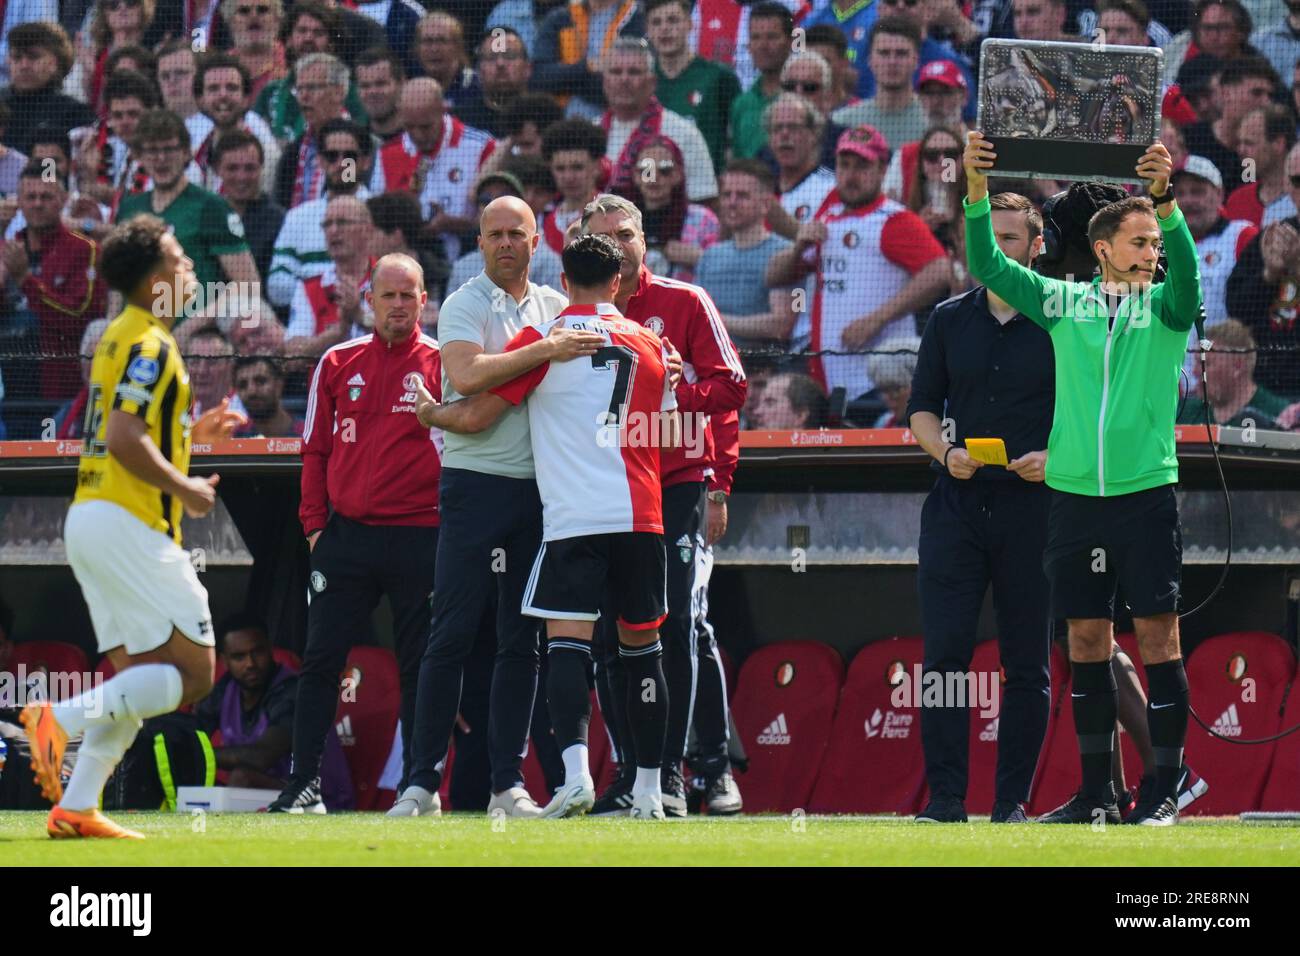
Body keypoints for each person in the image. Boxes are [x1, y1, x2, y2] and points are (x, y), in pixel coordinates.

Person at [963, 129, 1203, 825]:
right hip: (1073, 501)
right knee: (1088, 643)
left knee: (1159, 642)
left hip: (1144, 496)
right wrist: (977, 191)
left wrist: (1166, 206)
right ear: (1101, 251)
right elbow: (990, 266)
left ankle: (1163, 791)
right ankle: (1099, 793)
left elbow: (1187, 276)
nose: (1151, 254)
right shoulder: (1065, 305)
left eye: (1154, 245)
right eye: (1139, 244)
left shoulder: (1165, 310)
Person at [411, 233, 680, 820]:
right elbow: (666, 427)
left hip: (572, 520)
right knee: (644, 653)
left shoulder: (543, 341)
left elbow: (480, 414)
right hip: (641, 516)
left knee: (565, 649)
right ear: (618, 284)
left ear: (564, 282)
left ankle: (577, 776)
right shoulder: (652, 344)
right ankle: (652, 791)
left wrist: (432, 412)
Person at [19, 213, 245, 839]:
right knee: (195, 675)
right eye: (178, 259)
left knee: (141, 678)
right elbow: (123, 437)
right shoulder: (151, 344)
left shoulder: (119, 334)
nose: (190, 268)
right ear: (153, 282)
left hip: (93, 518)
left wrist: (187, 440)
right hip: (130, 523)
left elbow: (130, 430)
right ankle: (56, 718)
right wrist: (188, 488)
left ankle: (79, 804)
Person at [387, 196, 604, 819]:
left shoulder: (558, 307)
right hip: (474, 485)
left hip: (540, 491)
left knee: (520, 641)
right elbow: (470, 372)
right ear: (479, 243)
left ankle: (506, 785)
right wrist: (542, 351)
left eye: (517, 233)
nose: (505, 243)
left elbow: (544, 390)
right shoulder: (464, 303)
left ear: (538, 242)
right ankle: (420, 783)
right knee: (449, 634)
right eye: (494, 234)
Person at [578, 193, 746, 817]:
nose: (616, 245)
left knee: (678, 620)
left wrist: (718, 476)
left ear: (644, 240)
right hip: (600, 486)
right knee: (609, 632)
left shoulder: (684, 301)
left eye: (625, 234)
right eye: (602, 237)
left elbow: (732, 387)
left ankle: (685, 769)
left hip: (673, 479)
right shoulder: (571, 318)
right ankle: (633, 770)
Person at [269, 252, 444, 813]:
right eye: (387, 295)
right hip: (346, 540)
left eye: (408, 294)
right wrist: (316, 529)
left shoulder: (446, 364)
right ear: (368, 300)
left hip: (421, 537)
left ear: (424, 300)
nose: (397, 305)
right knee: (319, 660)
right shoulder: (337, 361)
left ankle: (420, 787)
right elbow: (314, 449)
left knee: (422, 664)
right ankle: (305, 785)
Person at [906, 192, 1054, 824]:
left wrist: (1056, 455)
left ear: (1037, 246)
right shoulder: (945, 319)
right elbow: (920, 408)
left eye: (1011, 239)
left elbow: (1088, 410)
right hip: (957, 506)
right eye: (986, 239)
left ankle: (1012, 803)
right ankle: (944, 801)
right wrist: (944, 453)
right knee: (943, 657)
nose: (994, 251)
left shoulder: (1063, 319)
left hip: (1036, 509)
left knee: (1027, 662)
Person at [766, 125, 951, 401]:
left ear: (881, 169)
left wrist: (877, 320)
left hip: (878, 383)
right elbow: (773, 276)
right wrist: (798, 247)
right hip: (828, 378)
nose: (851, 175)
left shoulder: (893, 220)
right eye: (844, 164)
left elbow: (940, 271)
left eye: (862, 166)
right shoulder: (829, 216)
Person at [115, 109, 260, 323]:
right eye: (153, 151)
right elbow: (118, 284)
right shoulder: (129, 208)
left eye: (169, 149)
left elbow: (248, 284)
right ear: (140, 157)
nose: (161, 159)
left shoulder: (211, 207)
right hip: (137, 334)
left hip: (192, 339)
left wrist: (194, 325)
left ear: (186, 153)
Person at [193, 614, 351, 807]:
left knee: (242, 778)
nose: (250, 664)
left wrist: (194, 754)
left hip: (321, 800)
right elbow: (192, 732)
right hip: (271, 796)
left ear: (270, 649)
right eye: (239, 657)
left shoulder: (293, 692)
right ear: (224, 661)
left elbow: (260, 757)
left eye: (257, 652)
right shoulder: (225, 689)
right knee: (194, 782)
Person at [0, 164, 107, 404]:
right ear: (19, 202)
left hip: (60, 393)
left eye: (46, 197)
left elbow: (81, 318)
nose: (37, 204)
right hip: (8, 393)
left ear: (63, 200)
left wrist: (25, 280)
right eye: (30, 197)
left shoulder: (85, 251)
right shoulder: (8, 248)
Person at [371, 78, 496, 264]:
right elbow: (377, 223)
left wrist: (455, 225)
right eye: (409, 126)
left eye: (425, 126)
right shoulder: (387, 154)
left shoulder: (480, 147)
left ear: (443, 110)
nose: (417, 135)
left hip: (472, 262)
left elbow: (497, 219)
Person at [267, 118, 373, 308]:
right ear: (321, 161)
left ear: (365, 162)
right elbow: (277, 285)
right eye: (332, 156)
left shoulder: (381, 214)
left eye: (349, 156)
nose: (341, 164)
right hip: (309, 325)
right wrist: (327, 294)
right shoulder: (298, 217)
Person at [600, 38, 718, 205]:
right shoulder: (591, 132)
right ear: (604, 82)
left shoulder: (682, 132)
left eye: (634, 72)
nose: (624, 79)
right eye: (616, 72)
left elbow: (705, 202)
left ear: (652, 82)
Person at [695, 159, 797, 352]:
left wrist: (716, 321)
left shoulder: (785, 254)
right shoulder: (709, 257)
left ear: (766, 204)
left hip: (764, 368)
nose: (732, 203)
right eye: (726, 195)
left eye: (742, 196)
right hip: (714, 367)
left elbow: (782, 325)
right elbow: (695, 317)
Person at [647, 0, 741, 173]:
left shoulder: (719, 76)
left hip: (705, 187)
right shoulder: (642, 80)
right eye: (656, 22)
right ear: (648, 30)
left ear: (690, 24)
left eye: (673, 20)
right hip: (653, 185)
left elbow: (737, 138)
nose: (664, 28)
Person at [1171, 155, 1258, 328]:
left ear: (1219, 193)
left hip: (1225, 352)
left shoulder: (1241, 235)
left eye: (1197, 191)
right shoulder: (1161, 243)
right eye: (1179, 193)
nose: (1187, 201)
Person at [286, 194, 375, 360]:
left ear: (367, 230)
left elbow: (405, 339)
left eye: (342, 222)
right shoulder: (309, 288)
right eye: (327, 224)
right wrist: (339, 330)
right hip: (329, 384)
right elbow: (291, 357)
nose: (333, 230)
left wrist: (360, 316)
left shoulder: (392, 279)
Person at [189, 53, 283, 198]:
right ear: (200, 100)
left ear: (246, 98)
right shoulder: (197, 151)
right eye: (213, 89)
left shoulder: (266, 153)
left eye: (231, 88)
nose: (223, 95)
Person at [533, 0, 645, 120]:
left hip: (617, 121)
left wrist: (568, 81)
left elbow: (629, 85)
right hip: (560, 123)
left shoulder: (635, 18)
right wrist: (587, 67)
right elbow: (539, 77)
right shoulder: (560, 18)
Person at [633, 136, 719, 283]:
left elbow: (722, 269)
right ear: (635, 175)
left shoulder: (703, 219)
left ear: (678, 174)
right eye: (646, 170)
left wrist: (699, 257)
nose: (654, 178)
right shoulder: (622, 221)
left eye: (664, 170)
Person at [1177, 319, 1294, 427]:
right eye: (1196, 363)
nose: (1195, 371)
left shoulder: (1279, 416)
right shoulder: (1183, 414)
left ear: (1237, 366)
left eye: (1205, 364)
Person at [832, 18, 927, 150]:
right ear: (870, 60)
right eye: (884, 53)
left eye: (901, 53)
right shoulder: (843, 122)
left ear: (916, 60)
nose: (892, 62)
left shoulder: (931, 122)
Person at [1, 24, 95, 157]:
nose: (24, 65)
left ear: (54, 62)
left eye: (33, 57)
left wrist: (45, 177)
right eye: (17, 57)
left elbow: (57, 168)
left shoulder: (73, 112)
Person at [210, 130, 285, 284]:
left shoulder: (279, 221)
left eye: (250, 168)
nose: (241, 177)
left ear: (261, 168)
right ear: (217, 170)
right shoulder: (207, 216)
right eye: (232, 168)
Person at [728, 2, 794, 160]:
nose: (763, 46)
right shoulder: (742, 104)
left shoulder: (804, 95)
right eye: (755, 37)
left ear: (790, 42)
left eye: (772, 37)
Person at [539, 120, 606, 258]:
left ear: (597, 167)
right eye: (560, 169)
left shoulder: (614, 212)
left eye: (577, 167)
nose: (568, 177)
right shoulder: (546, 223)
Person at [1224, 104, 1298, 227]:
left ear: (1278, 143)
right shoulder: (1238, 201)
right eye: (1239, 143)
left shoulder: (1296, 197)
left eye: (1249, 143)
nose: (1241, 150)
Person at [454, 28, 532, 139]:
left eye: (509, 56)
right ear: (479, 70)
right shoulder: (460, 122)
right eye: (491, 58)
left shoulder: (544, 115)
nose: (500, 64)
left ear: (527, 68)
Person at [232, 356, 303, 436]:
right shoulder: (235, 437)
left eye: (260, 381)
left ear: (278, 385)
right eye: (243, 385)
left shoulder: (307, 434)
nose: (251, 392)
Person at [354, 47, 405, 144]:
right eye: (365, 86)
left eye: (381, 84)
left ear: (401, 84)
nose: (373, 92)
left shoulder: (419, 140)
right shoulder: (354, 144)